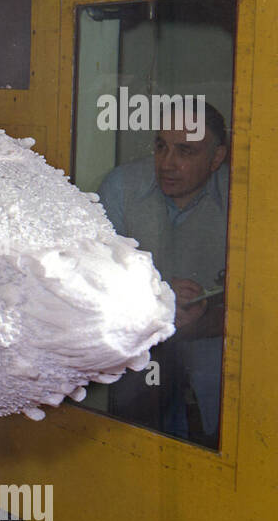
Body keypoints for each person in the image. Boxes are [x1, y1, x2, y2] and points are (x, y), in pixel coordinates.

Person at [97, 104, 229, 446]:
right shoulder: (122, 188)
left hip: (215, 347)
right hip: (138, 344)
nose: (167, 163)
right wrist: (154, 301)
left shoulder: (243, 199)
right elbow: (93, 283)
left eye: (185, 151)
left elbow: (267, 303)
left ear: (217, 159)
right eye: (161, 147)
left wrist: (206, 319)